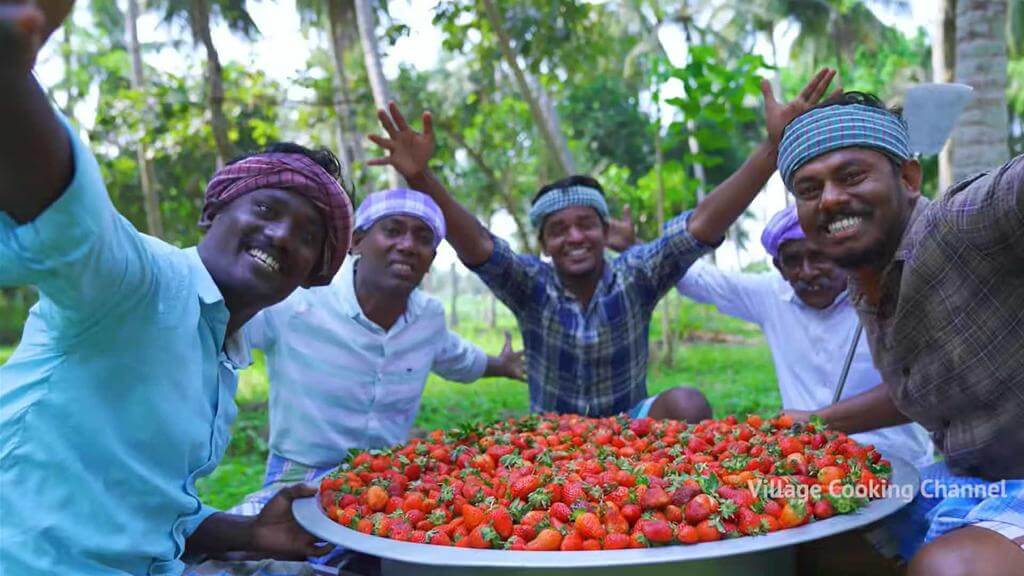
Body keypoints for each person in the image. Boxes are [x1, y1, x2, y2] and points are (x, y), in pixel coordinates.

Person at [0, 2, 353, 574]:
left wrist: (255, 533)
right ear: (212, 216)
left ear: (313, 272)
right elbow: (72, 218)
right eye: (265, 207)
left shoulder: (222, 361)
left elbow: (146, 510)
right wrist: (10, 75)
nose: (282, 234)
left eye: (309, 235)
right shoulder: (137, 281)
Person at [365, 69, 839, 421]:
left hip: (630, 428)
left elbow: (699, 225)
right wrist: (420, 177)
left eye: (586, 224)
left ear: (603, 229)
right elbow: (480, 245)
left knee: (687, 403)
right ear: (544, 243)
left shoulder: (636, 274)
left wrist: (771, 152)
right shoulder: (530, 284)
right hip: (554, 436)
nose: (574, 237)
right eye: (559, 229)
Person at [777, 91, 1024, 576]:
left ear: (909, 178)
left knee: (948, 571)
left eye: (852, 176)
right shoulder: (865, 277)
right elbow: (922, 384)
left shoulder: (963, 222)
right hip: (967, 482)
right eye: (808, 189)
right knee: (806, 541)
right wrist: (814, 422)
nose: (829, 199)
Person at [238, 187, 525, 498]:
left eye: (423, 238)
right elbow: (224, 324)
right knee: (262, 542)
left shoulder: (428, 317)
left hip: (386, 479)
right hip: (300, 474)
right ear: (356, 241)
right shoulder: (299, 299)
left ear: (431, 260)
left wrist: (502, 365)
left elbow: (460, 359)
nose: (407, 246)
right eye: (392, 230)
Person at [611, 205, 934, 467]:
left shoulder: (885, 293)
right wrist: (634, 248)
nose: (807, 271)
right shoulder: (771, 293)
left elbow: (920, 389)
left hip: (897, 463)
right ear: (778, 267)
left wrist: (816, 421)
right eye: (793, 261)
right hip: (802, 462)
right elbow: (698, 279)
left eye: (819, 256)